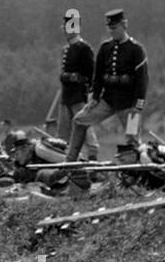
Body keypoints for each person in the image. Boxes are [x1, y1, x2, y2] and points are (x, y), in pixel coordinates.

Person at [64, 9, 148, 165]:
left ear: (124, 25)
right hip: (108, 101)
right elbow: (98, 77)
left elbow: (142, 81)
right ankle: (70, 162)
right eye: (109, 28)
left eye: (114, 28)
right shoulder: (105, 48)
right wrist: (95, 98)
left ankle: (139, 171)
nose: (111, 31)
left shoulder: (136, 50)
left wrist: (138, 106)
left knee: (133, 139)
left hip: (129, 104)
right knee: (80, 120)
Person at [54, 12, 99, 160]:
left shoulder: (83, 48)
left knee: (85, 130)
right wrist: (67, 77)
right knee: (62, 134)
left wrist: (88, 89)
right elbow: (63, 73)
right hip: (66, 95)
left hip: (79, 95)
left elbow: (91, 73)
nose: (65, 31)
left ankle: (92, 158)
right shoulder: (66, 49)